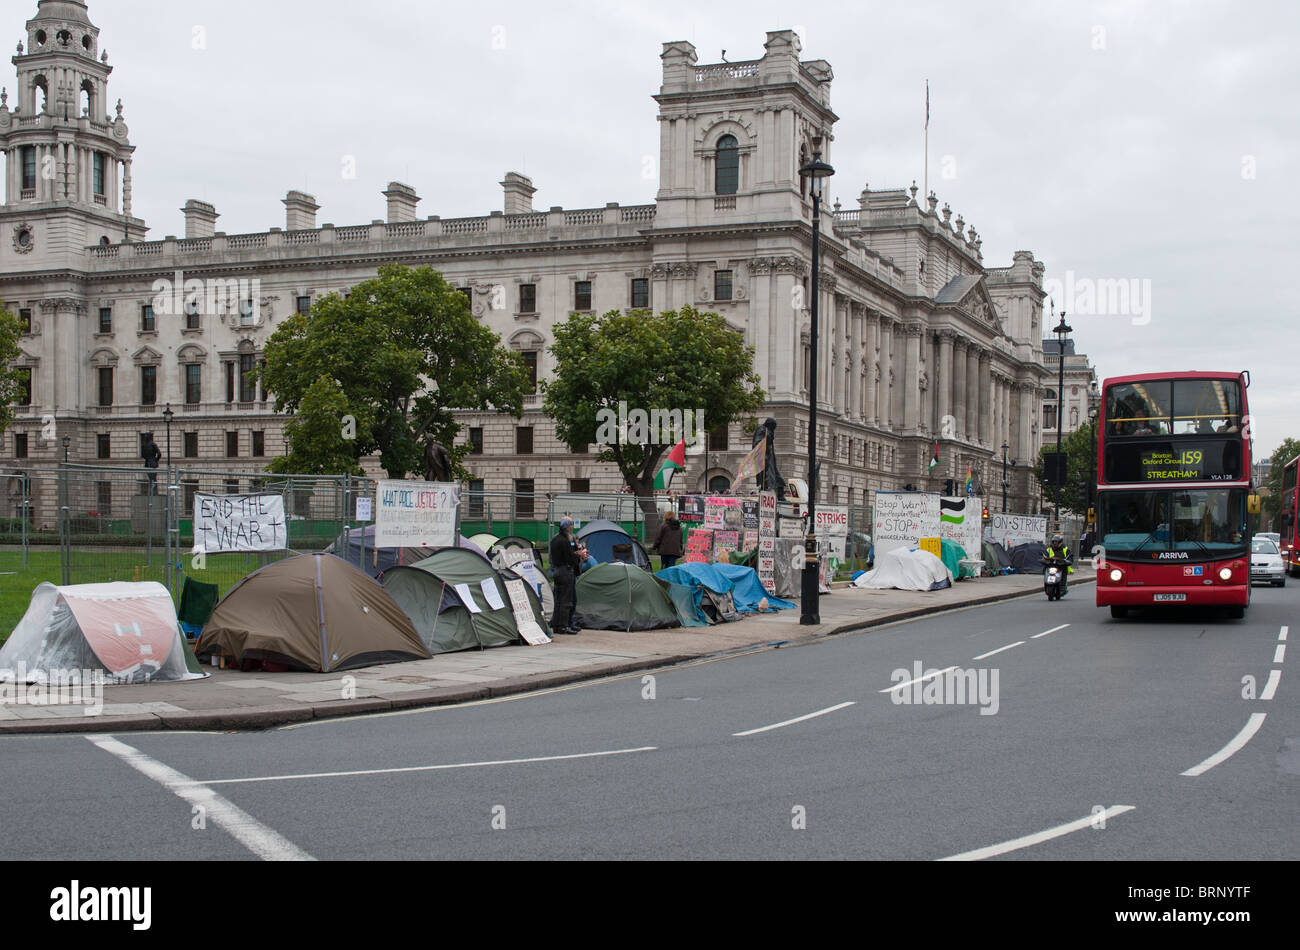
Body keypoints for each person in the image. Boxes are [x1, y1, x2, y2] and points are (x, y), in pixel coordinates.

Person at [548, 518, 581, 635]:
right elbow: (569, 557)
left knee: (558, 599)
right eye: (571, 525)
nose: (572, 527)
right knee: (566, 600)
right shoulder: (564, 540)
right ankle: (563, 626)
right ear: (567, 527)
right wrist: (578, 555)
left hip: (557, 571)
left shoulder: (556, 539)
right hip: (565, 571)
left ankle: (557, 625)